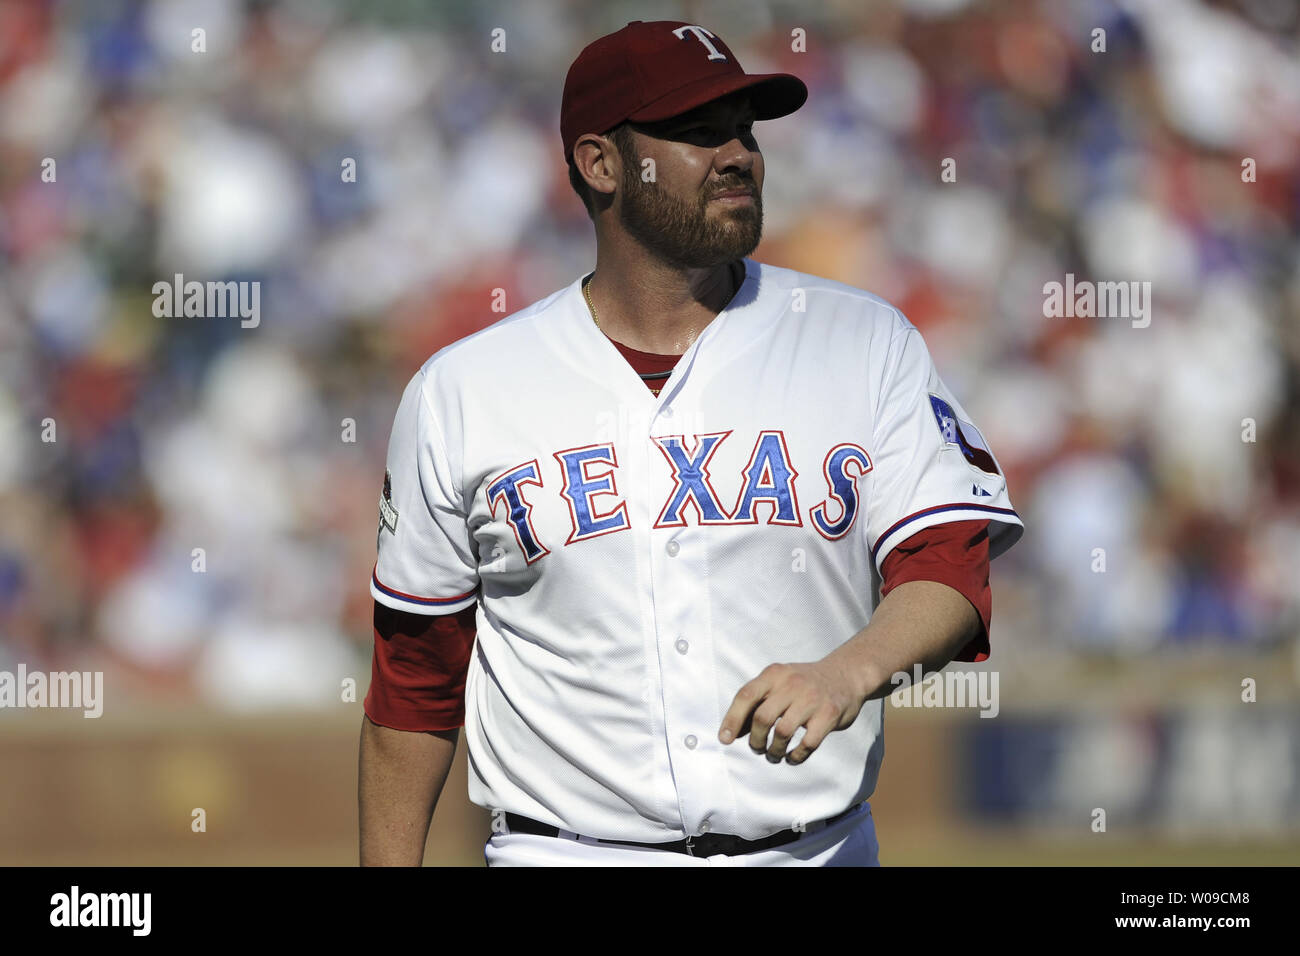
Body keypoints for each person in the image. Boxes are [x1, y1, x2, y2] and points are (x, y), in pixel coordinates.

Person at [358, 20, 1023, 867]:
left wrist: (849, 670)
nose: (739, 153)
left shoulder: (860, 341)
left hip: (814, 852)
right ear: (601, 163)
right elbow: (414, 683)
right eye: (698, 133)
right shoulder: (464, 390)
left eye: (743, 128)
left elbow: (950, 567)